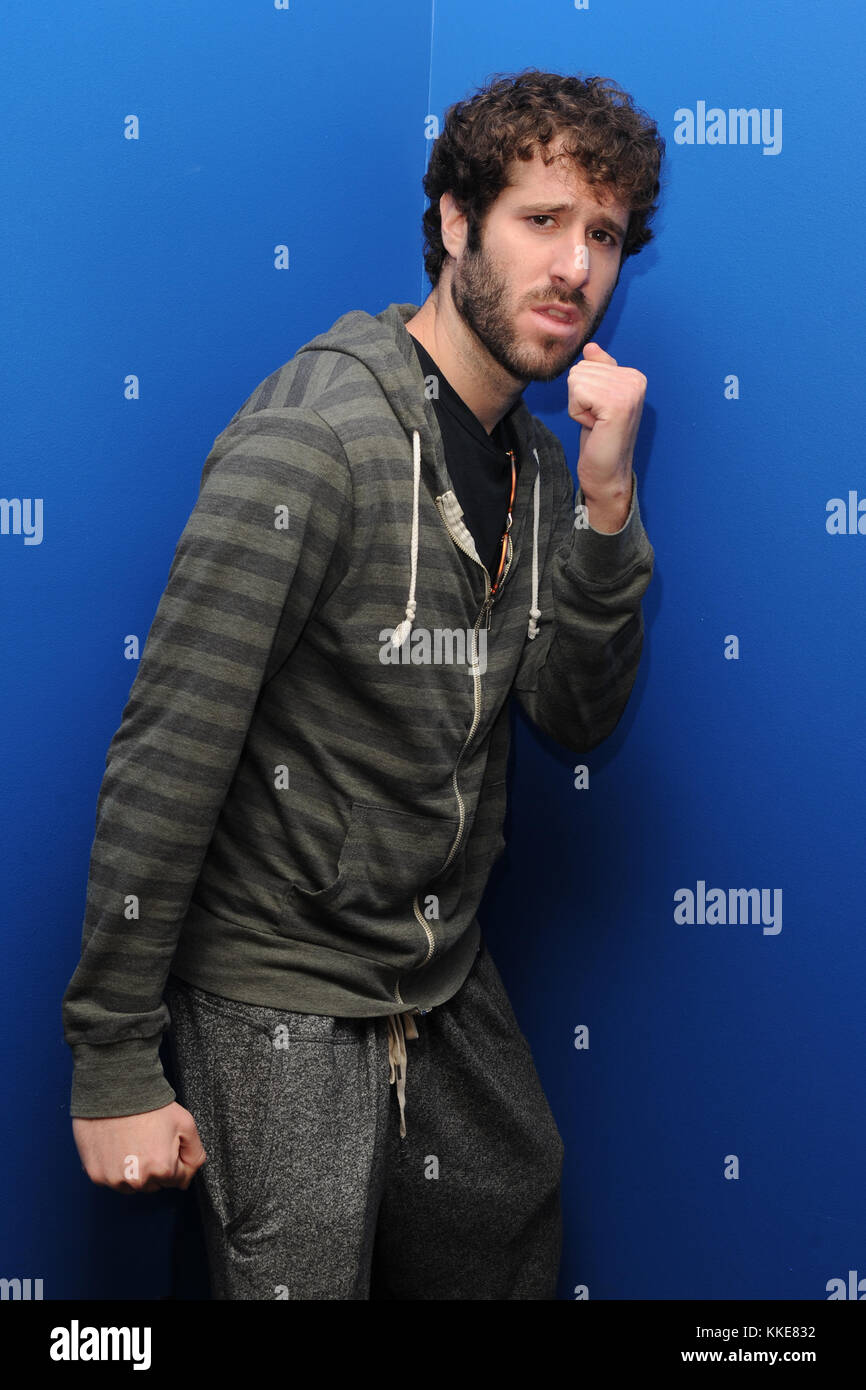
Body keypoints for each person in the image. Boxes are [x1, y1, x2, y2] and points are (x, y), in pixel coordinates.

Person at [63, 67, 663, 1300]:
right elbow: (170, 748)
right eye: (539, 220)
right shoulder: (316, 436)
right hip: (274, 971)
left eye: (601, 235)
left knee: (506, 1215)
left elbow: (573, 716)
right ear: (453, 221)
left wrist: (606, 515)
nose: (575, 267)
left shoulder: (542, 467)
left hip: (432, 965)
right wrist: (113, 1063)